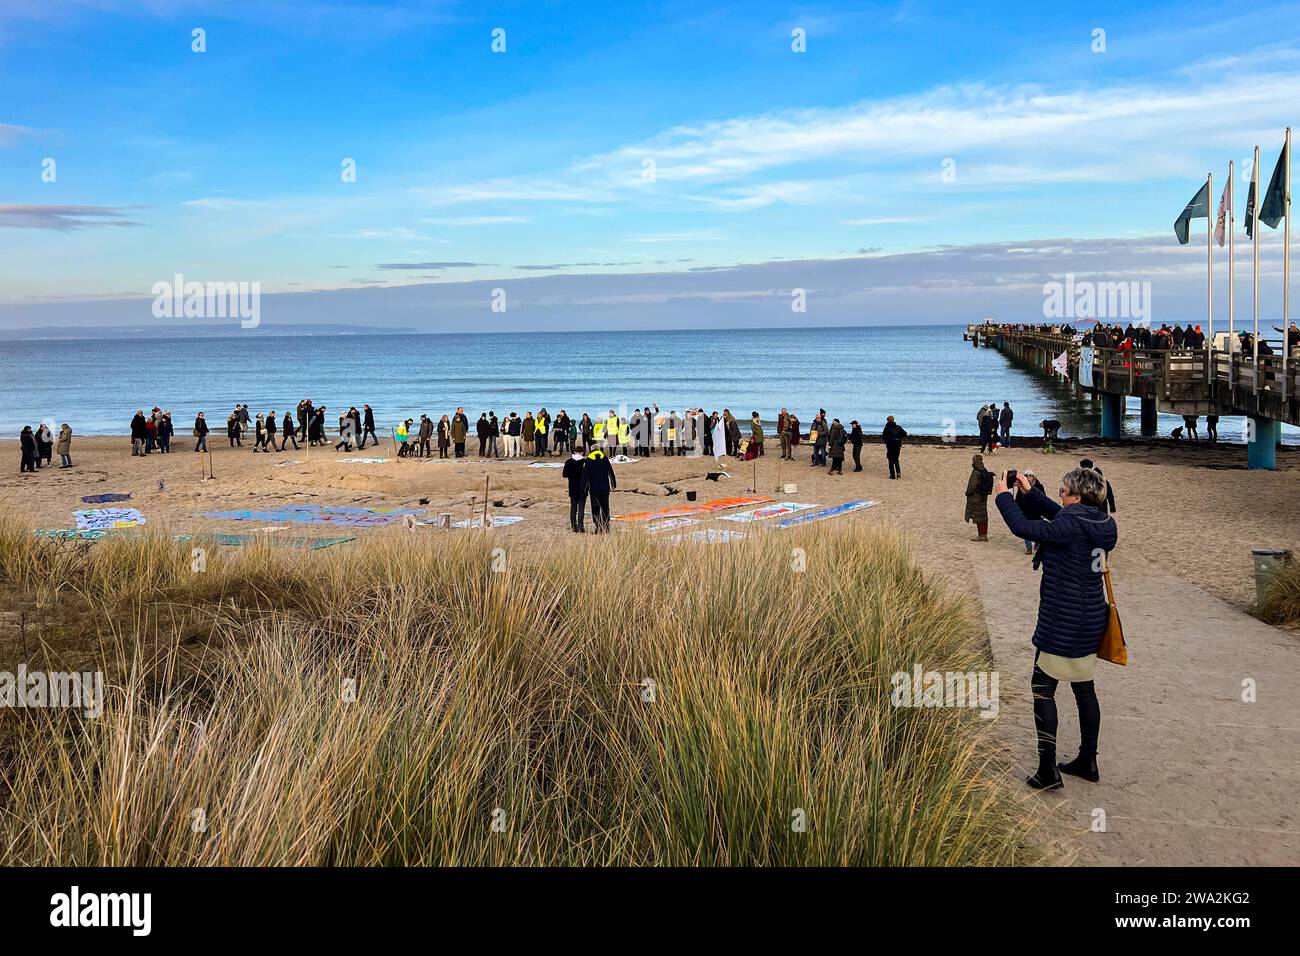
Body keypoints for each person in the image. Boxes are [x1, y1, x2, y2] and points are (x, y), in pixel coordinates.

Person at [993, 467, 1118, 791]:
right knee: (1084, 688)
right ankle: (1088, 761)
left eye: (1063, 491)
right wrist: (1031, 493)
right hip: (1090, 619)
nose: (1060, 495)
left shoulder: (1069, 525)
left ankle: (1048, 770)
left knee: (1042, 690)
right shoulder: (1102, 523)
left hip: (1062, 620)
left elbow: (1022, 526)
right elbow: (1061, 516)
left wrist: (1004, 496)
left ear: (1076, 497)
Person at [582, 447, 617, 533]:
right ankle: (606, 526)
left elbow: (585, 476)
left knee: (595, 508)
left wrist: (583, 489)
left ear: (591, 450)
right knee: (605, 507)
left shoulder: (589, 459)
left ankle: (598, 527)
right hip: (605, 488)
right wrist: (613, 484)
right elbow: (610, 472)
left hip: (594, 489)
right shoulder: (604, 457)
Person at [1014, 468, 1045, 554]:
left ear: (1033, 477)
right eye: (1026, 476)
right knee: (1026, 531)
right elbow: (1018, 500)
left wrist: (1043, 512)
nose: (1028, 478)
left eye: (1030, 476)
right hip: (1025, 511)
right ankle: (1029, 548)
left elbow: (1043, 500)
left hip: (1037, 512)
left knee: (1037, 530)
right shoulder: (1021, 487)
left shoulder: (1039, 486)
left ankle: (1037, 543)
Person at [965, 452, 993, 541]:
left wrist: (967, 493)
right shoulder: (984, 470)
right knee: (983, 515)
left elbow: (972, 485)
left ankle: (981, 535)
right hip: (983, 495)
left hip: (976, 497)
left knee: (978, 516)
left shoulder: (976, 472)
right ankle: (984, 534)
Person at [562, 450, 587, 533]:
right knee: (581, 508)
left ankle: (573, 526)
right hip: (582, 487)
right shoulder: (585, 462)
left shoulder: (568, 462)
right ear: (582, 452)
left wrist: (571, 475)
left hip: (572, 487)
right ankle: (581, 526)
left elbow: (564, 474)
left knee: (573, 507)